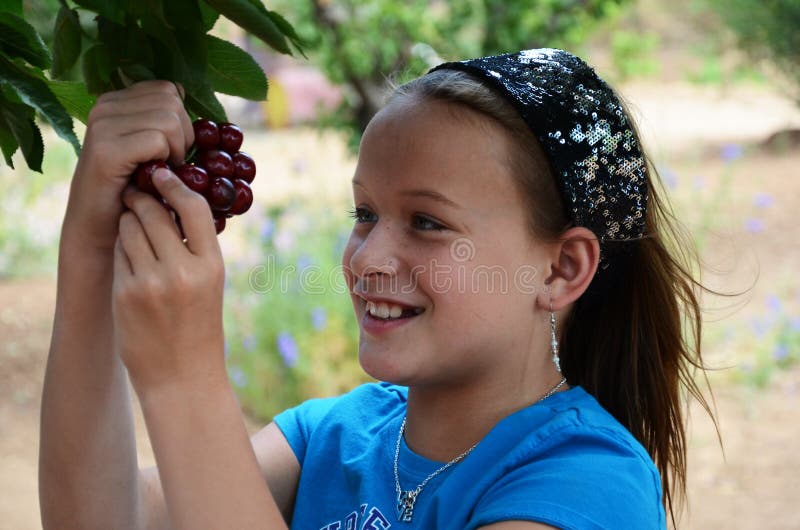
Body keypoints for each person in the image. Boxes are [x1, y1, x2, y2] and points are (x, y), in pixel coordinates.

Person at [39, 48, 716, 529]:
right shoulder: (333, 438)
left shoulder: (589, 486)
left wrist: (184, 380)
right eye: (365, 213)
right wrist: (88, 250)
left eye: (426, 221)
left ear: (562, 268)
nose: (367, 258)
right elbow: (98, 519)